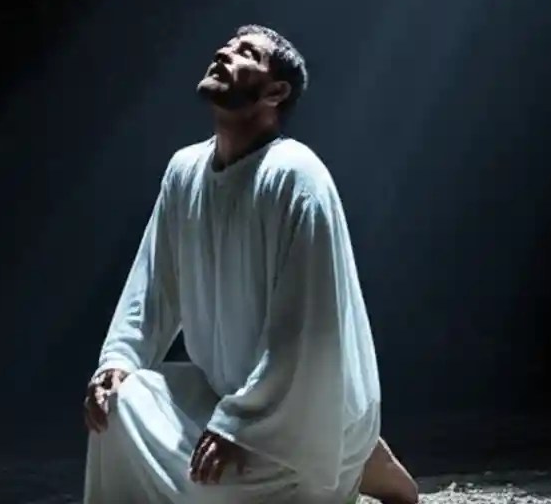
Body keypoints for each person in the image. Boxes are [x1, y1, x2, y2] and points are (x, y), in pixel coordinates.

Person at [82, 26, 419, 504]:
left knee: (216, 489)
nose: (222, 51)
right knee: (116, 406)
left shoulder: (297, 176)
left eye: (245, 53)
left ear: (275, 92)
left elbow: (307, 325)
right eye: (226, 45)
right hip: (226, 389)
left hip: (293, 406)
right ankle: (360, 456)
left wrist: (244, 423)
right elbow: (153, 286)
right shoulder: (184, 171)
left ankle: (351, 452)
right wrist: (117, 361)